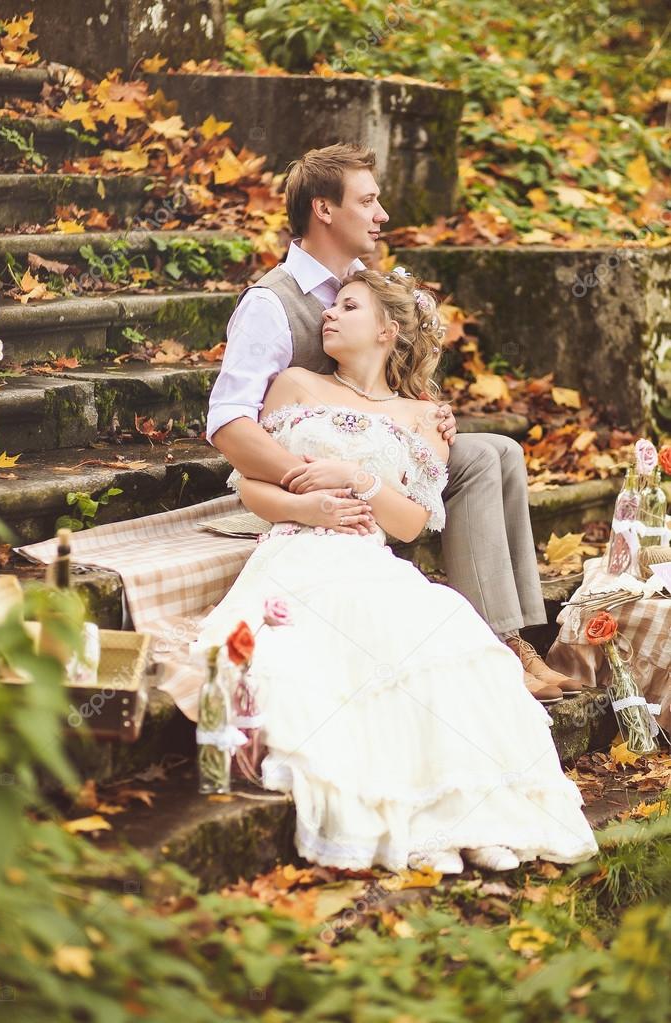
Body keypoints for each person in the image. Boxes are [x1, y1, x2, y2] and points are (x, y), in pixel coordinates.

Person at [194, 269, 597, 874]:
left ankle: (470, 809)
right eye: (332, 306)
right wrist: (305, 505)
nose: (329, 314)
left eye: (348, 306)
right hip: (294, 551)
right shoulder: (295, 384)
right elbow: (252, 484)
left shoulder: (424, 416)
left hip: (368, 557)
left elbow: (410, 523)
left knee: (441, 637)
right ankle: (406, 813)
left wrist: (357, 478)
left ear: (387, 330)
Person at [206, 143, 582, 704]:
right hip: (310, 460)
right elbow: (227, 424)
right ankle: (496, 637)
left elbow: (391, 377)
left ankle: (518, 634)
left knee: (501, 449)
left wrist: (427, 414)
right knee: (480, 460)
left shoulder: (366, 282)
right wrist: (306, 476)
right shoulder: (272, 303)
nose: (382, 215)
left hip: (375, 447)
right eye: (369, 200)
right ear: (324, 210)